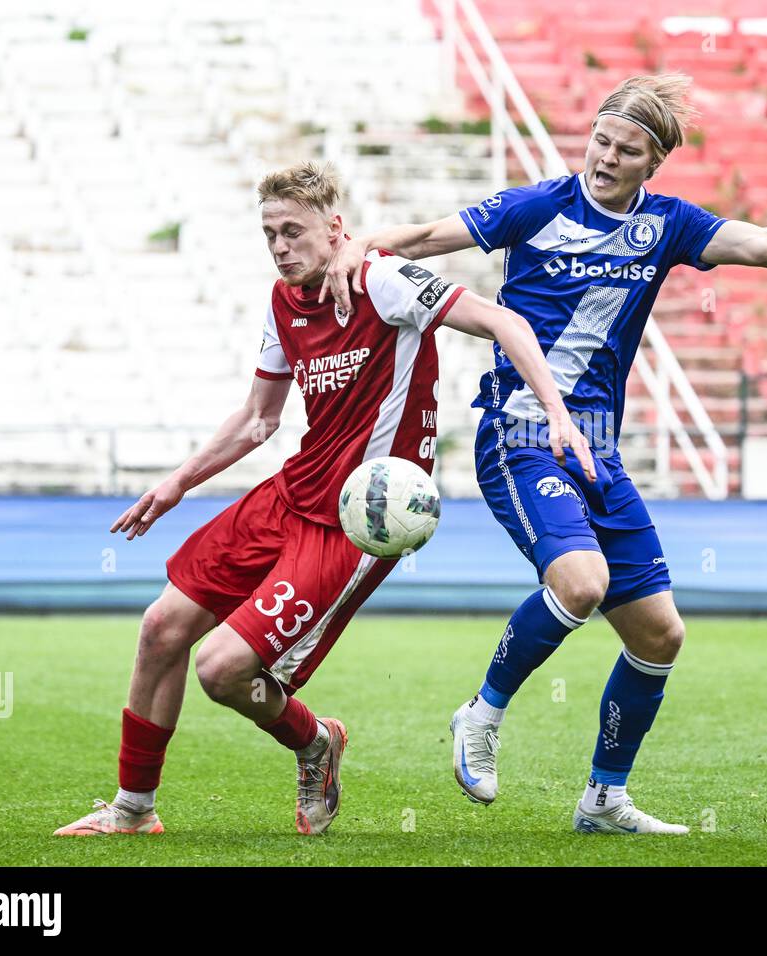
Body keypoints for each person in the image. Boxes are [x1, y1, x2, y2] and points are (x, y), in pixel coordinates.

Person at [321, 73, 767, 834]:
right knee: (580, 580)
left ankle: (604, 798)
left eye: (625, 149)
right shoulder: (538, 205)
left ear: (652, 163)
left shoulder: (668, 226)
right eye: (600, 139)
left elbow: (764, 247)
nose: (604, 157)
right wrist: (358, 246)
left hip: (596, 452)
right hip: (521, 435)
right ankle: (481, 712)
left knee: (660, 634)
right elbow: (418, 238)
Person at [54, 160, 592, 837]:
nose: (281, 247)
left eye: (294, 231)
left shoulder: (383, 281)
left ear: (336, 229)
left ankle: (314, 743)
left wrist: (556, 412)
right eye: (270, 234)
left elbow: (501, 321)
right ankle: (133, 809)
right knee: (161, 628)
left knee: (221, 672)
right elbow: (259, 419)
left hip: (356, 521)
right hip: (291, 494)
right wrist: (177, 482)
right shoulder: (284, 302)